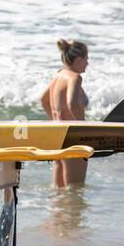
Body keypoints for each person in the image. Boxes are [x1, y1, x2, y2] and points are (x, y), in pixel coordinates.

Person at [40, 38, 89, 188]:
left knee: (59, 190)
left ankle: (58, 212)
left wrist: (55, 120)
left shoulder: (58, 75)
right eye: (87, 59)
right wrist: (84, 129)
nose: (88, 63)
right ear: (79, 59)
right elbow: (72, 103)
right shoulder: (75, 78)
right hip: (73, 137)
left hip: (58, 135)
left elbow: (43, 100)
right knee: (74, 189)